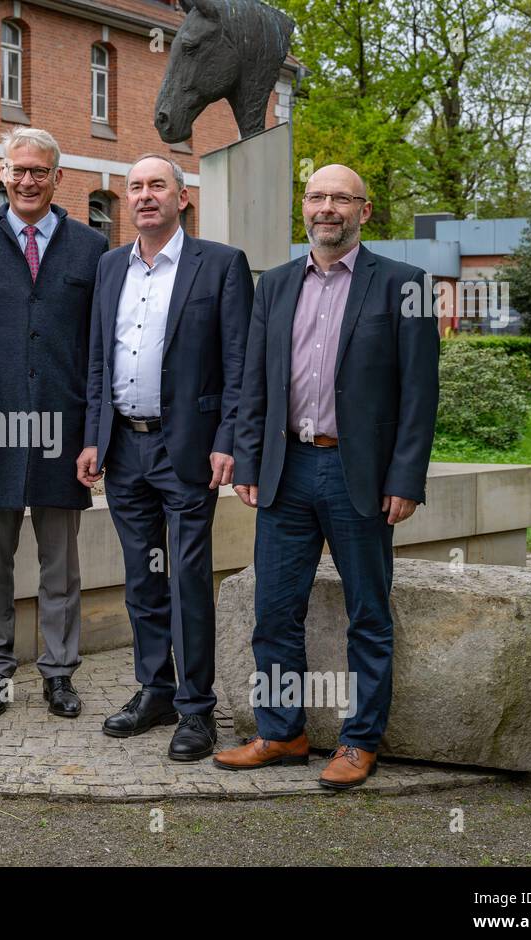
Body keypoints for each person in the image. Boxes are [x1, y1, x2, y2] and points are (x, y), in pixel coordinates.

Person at [213, 163, 439, 789]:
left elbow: (420, 394)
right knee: (274, 611)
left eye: (342, 197)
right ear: (304, 207)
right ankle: (280, 732)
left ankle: (359, 741)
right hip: (287, 472)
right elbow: (256, 383)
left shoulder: (404, 284)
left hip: (357, 474)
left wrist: (406, 479)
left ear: (364, 211)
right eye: (317, 196)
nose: (327, 207)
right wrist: (250, 458)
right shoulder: (277, 284)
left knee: (369, 612)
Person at [78, 154, 253, 762]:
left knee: (186, 577)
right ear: (126, 202)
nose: (146, 196)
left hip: (189, 451)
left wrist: (228, 440)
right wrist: (93, 436)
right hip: (125, 447)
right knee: (142, 578)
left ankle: (197, 709)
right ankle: (154, 687)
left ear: (182, 199)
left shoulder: (221, 266)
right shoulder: (108, 267)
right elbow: (98, 359)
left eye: (158, 186)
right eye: (136, 188)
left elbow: (239, 366)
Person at [0, 128, 107, 719]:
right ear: (2, 173)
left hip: (63, 433)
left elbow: (98, 351)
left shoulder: (91, 249)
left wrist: (94, 434)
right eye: (18, 170)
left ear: (57, 178)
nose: (28, 180)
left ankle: (59, 674)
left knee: (61, 566)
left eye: (40, 171)